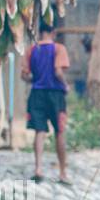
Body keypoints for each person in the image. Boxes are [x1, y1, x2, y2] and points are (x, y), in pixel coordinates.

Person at [21, 21, 70, 184]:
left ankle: (38, 169)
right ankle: (63, 173)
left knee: (39, 131)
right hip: (55, 94)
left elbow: (25, 75)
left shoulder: (31, 50)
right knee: (60, 131)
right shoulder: (59, 49)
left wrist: (36, 79)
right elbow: (58, 71)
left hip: (37, 94)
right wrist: (65, 85)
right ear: (53, 33)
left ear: (40, 32)